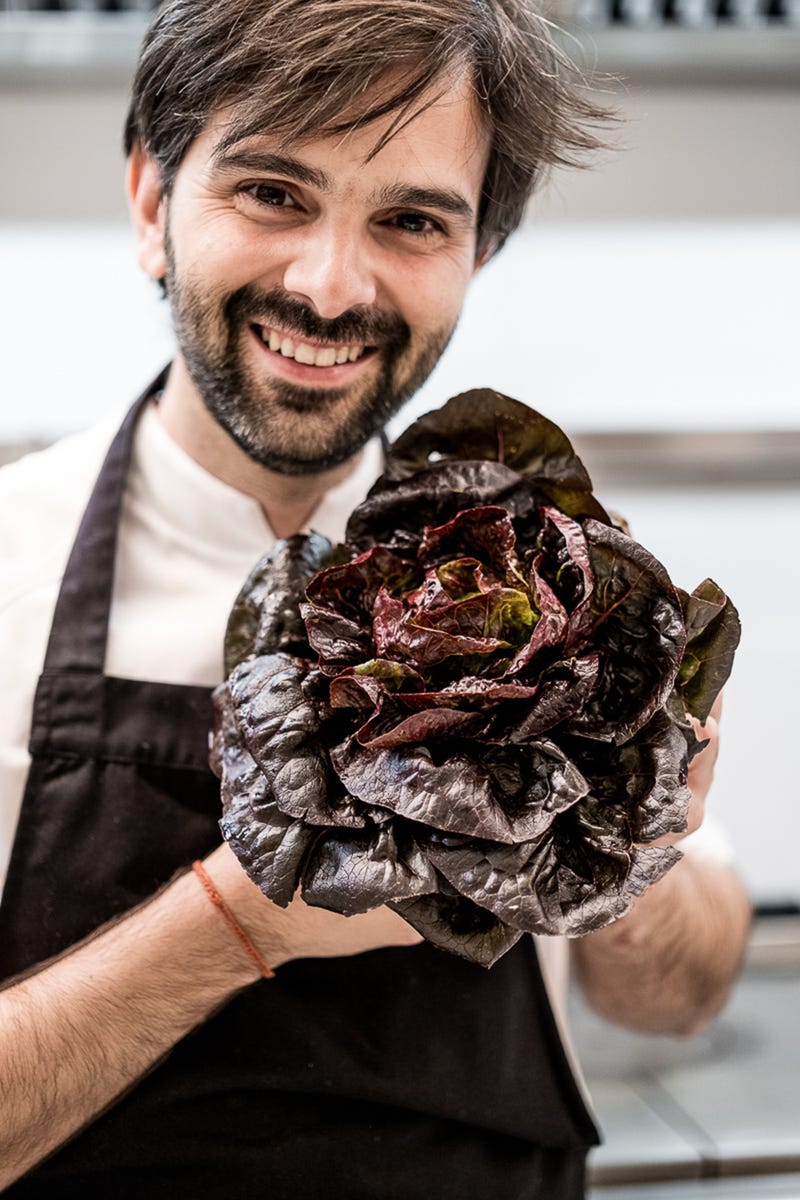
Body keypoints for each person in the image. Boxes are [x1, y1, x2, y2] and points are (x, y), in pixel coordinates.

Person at [0, 0, 752, 1195]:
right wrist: (235, 923)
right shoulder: (6, 571)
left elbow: (684, 994)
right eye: (272, 193)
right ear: (152, 204)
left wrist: (622, 849)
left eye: (409, 219)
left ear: (477, 253)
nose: (330, 285)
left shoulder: (546, 586)